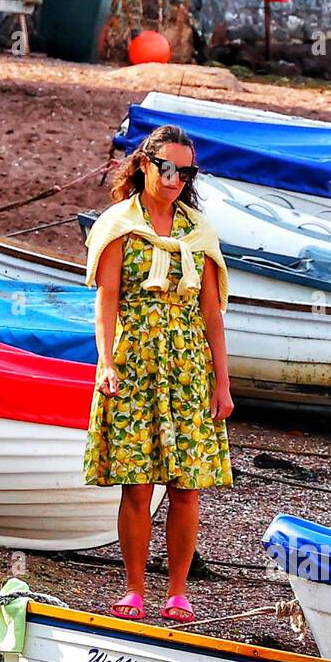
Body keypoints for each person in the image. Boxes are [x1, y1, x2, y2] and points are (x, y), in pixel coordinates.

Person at [83, 125, 233, 622]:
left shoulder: (198, 231)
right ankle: (133, 589)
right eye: (167, 167)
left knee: (187, 484)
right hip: (135, 361)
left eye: (185, 171)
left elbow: (212, 312)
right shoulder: (119, 225)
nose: (175, 179)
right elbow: (106, 302)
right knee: (138, 483)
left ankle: (177, 593)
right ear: (145, 163)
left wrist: (222, 381)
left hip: (189, 366)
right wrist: (105, 362)